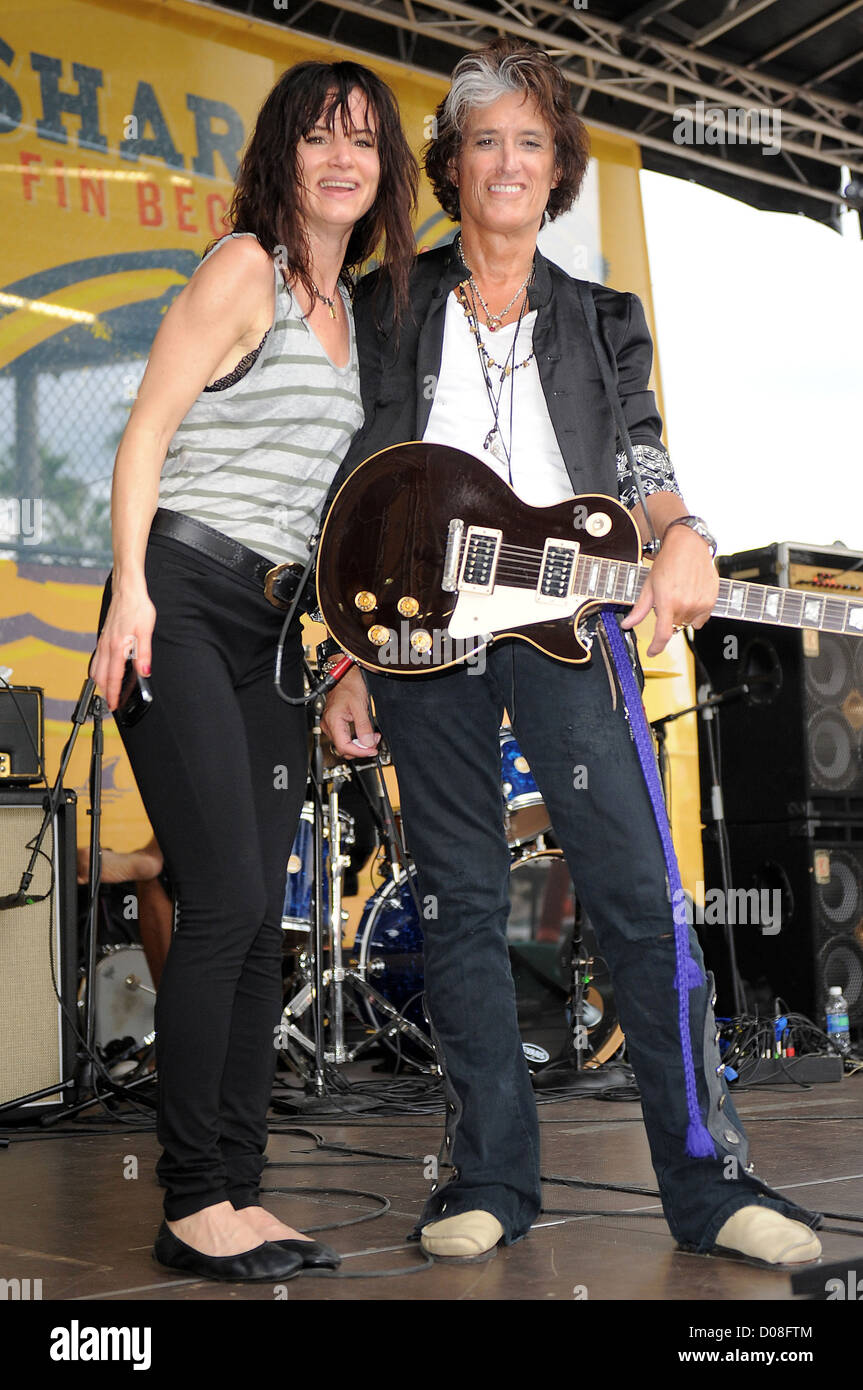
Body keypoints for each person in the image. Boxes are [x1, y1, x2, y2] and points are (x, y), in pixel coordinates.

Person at [322, 37, 823, 1267]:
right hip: (419, 644)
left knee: (637, 903)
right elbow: (351, 486)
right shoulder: (388, 306)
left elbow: (642, 461)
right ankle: (488, 1176)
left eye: (529, 141)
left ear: (556, 172)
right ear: (451, 165)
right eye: (482, 139)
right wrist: (344, 655)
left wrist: (685, 536)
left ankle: (709, 1187)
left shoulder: (601, 318)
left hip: (562, 630)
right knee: (460, 908)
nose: (506, 160)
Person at [90, 60, 417, 1283]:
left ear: (384, 171)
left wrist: (341, 664)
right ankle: (188, 1203)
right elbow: (147, 428)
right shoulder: (246, 271)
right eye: (320, 136)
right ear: (282, 154)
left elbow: (335, 522)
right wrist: (128, 590)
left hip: (276, 631)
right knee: (223, 897)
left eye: (365, 142)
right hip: (177, 593)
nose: (343, 157)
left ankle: (238, 1189)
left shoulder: (361, 316)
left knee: (265, 926)